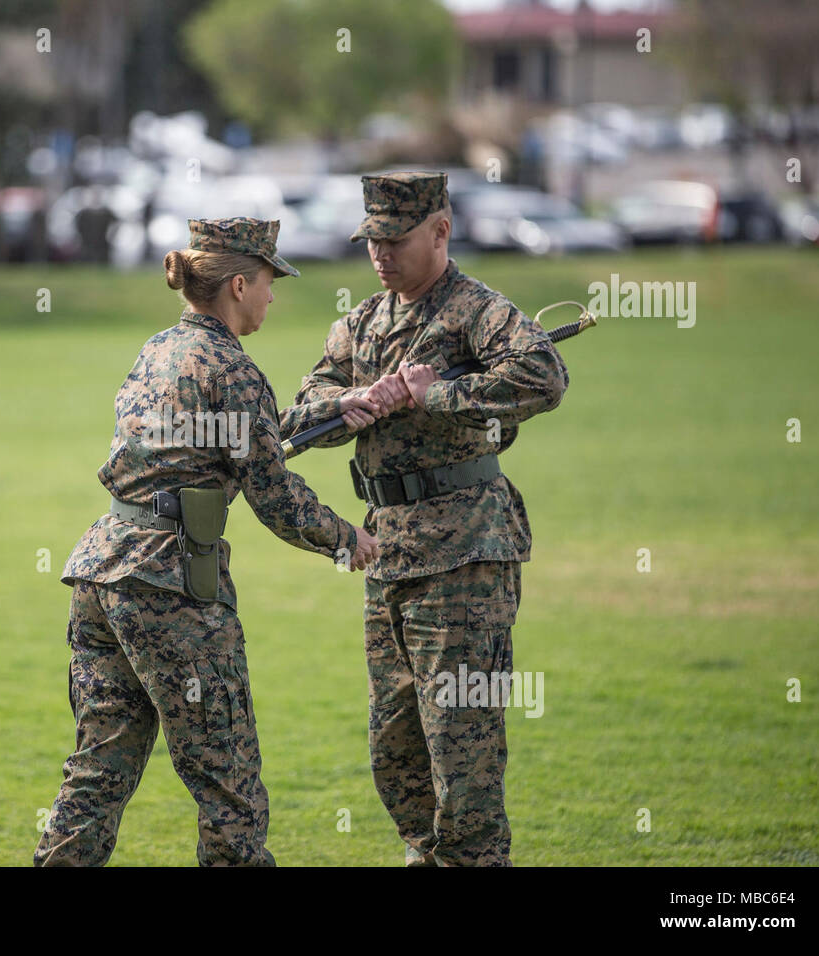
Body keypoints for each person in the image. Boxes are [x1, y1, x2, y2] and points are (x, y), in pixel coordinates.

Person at [35, 217, 379, 867]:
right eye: (271, 282)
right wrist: (347, 539)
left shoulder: (158, 348)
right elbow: (274, 495)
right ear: (240, 284)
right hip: (172, 585)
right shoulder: (233, 368)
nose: (275, 297)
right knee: (230, 787)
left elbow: (221, 443)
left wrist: (338, 408)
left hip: (102, 571)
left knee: (98, 769)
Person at [288, 172, 569, 866]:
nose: (379, 254)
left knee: (462, 742)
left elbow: (544, 376)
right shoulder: (361, 323)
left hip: (467, 553)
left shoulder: (477, 310)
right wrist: (348, 401)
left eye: (395, 238)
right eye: (371, 240)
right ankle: (426, 851)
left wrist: (436, 393)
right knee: (396, 743)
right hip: (388, 552)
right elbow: (298, 417)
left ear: (440, 232)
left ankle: (472, 857)